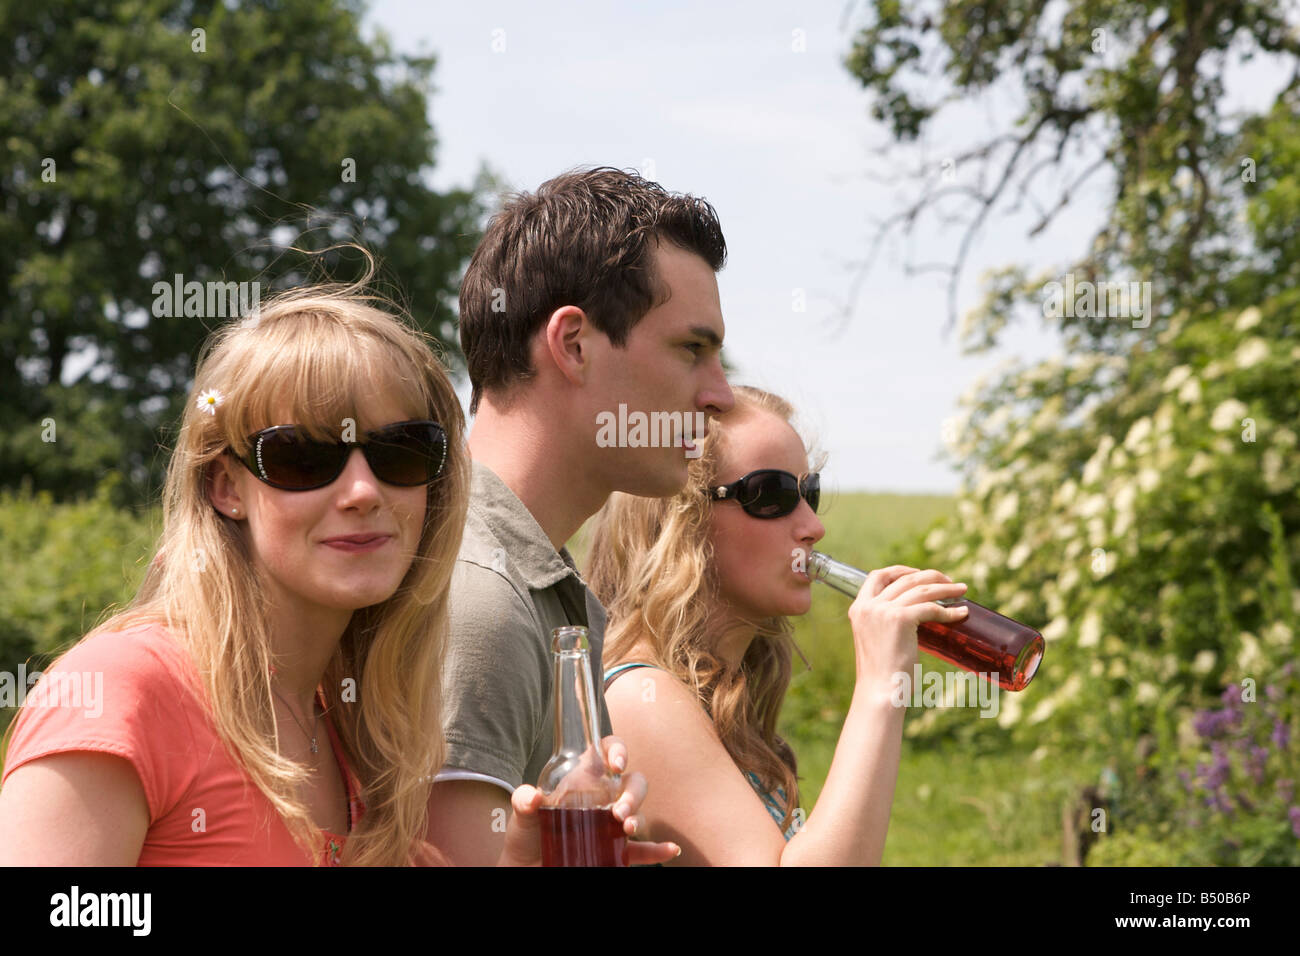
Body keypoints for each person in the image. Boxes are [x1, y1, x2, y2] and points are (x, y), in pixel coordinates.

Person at [0, 280, 669, 866]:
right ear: (225, 486)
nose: (362, 491)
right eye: (302, 456)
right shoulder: (122, 695)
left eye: (401, 453)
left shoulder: (372, 734)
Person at [425, 167, 734, 864]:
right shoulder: (481, 595)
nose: (720, 395)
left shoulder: (531, 581)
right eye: (692, 349)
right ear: (572, 345)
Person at [585, 385, 971, 865]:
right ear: (680, 521)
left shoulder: (710, 693)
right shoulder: (642, 697)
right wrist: (879, 688)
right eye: (771, 494)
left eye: (809, 492)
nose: (812, 524)